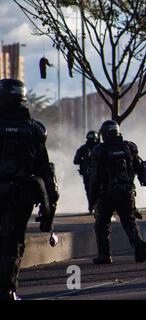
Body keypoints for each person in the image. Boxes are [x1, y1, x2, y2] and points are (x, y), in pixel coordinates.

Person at [0, 79, 58, 300]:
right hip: (21, 195)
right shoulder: (35, 129)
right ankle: (7, 290)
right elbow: (44, 169)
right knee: (14, 242)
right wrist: (50, 201)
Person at [89, 120, 146, 264]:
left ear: (105, 134)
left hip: (107, 194)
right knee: (129, 221)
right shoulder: (128, 147)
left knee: (102, 224)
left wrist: (92, 199)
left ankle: (104, 256)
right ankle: (138, 246)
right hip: (127, 192)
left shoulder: (99, 150)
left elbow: (94, 178)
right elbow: (141, 167)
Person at [74, 130, 100, 213]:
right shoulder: (83, 148)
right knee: (89, 189)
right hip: (88, 173)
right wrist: (83, 161)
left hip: (100, 172)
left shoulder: (101, 148)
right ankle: (91, 205)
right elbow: (76, 160)